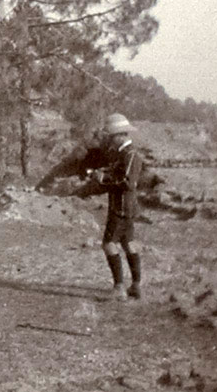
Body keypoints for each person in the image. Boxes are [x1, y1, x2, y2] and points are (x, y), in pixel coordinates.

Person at [85, 113, 143, 300]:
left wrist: (103, 179)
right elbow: (119, 175)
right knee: (128, 243)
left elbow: (127, 182)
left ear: (120, 136)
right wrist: (102, 173)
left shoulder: (131, 155)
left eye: (111, 137)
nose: (109, 140)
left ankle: (119, 288)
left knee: (109, 244)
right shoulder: (124, 154)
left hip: (121, 207)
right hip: (126, 207)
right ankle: (136, 286)